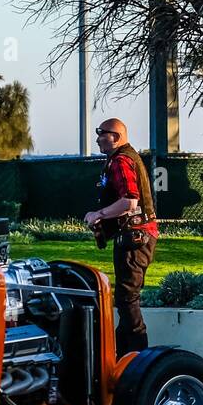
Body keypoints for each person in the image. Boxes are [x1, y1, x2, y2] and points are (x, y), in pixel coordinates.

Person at [84, 118, 158, 355]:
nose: (97, 139)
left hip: (135, 237)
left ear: (115, 136)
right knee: (125, 298)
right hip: (137, 236)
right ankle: (121, 353)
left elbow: (130, 201)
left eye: (101, 134)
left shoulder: (121, 160)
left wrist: (99, 214)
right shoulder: (123, 158)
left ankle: (138, 356)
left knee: (127, 298)